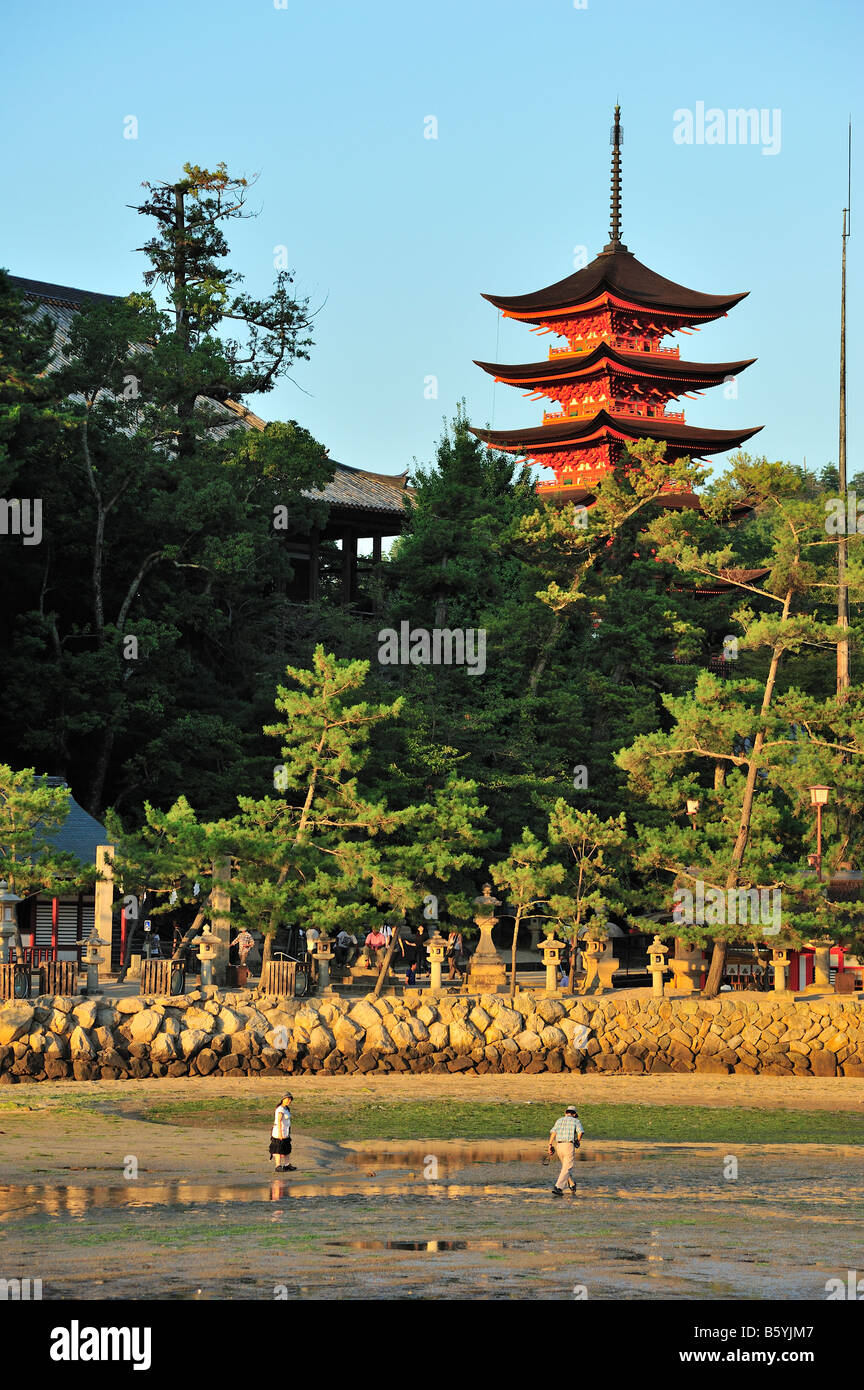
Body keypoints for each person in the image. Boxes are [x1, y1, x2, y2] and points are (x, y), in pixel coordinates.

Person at [548, 1104, 584, 1196]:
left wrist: (550, 1145)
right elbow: (580, 1132)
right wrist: (578, 1141)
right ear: (575, 1114)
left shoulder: (559, 1120)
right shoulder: (576, 1121)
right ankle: (558, 1187)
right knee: (567, 1168)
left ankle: (572, 1184)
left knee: (565, 1167)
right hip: (568, 1145)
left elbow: (553, 1132)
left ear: (565, 1113)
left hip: (559, 1145)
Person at [269, 1094, 296, 1173]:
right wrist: (280, 1133)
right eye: (287, 1099)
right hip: (279, 1133)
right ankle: (278, 1166)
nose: (289, 1101)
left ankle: (287, 1165)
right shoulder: (280, 1109)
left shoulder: (286, 1108)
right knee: (278, 1149)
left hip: (286, 1132)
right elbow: (279, 1121)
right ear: (283, 1099)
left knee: (287, 1149)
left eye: (290, 1099)